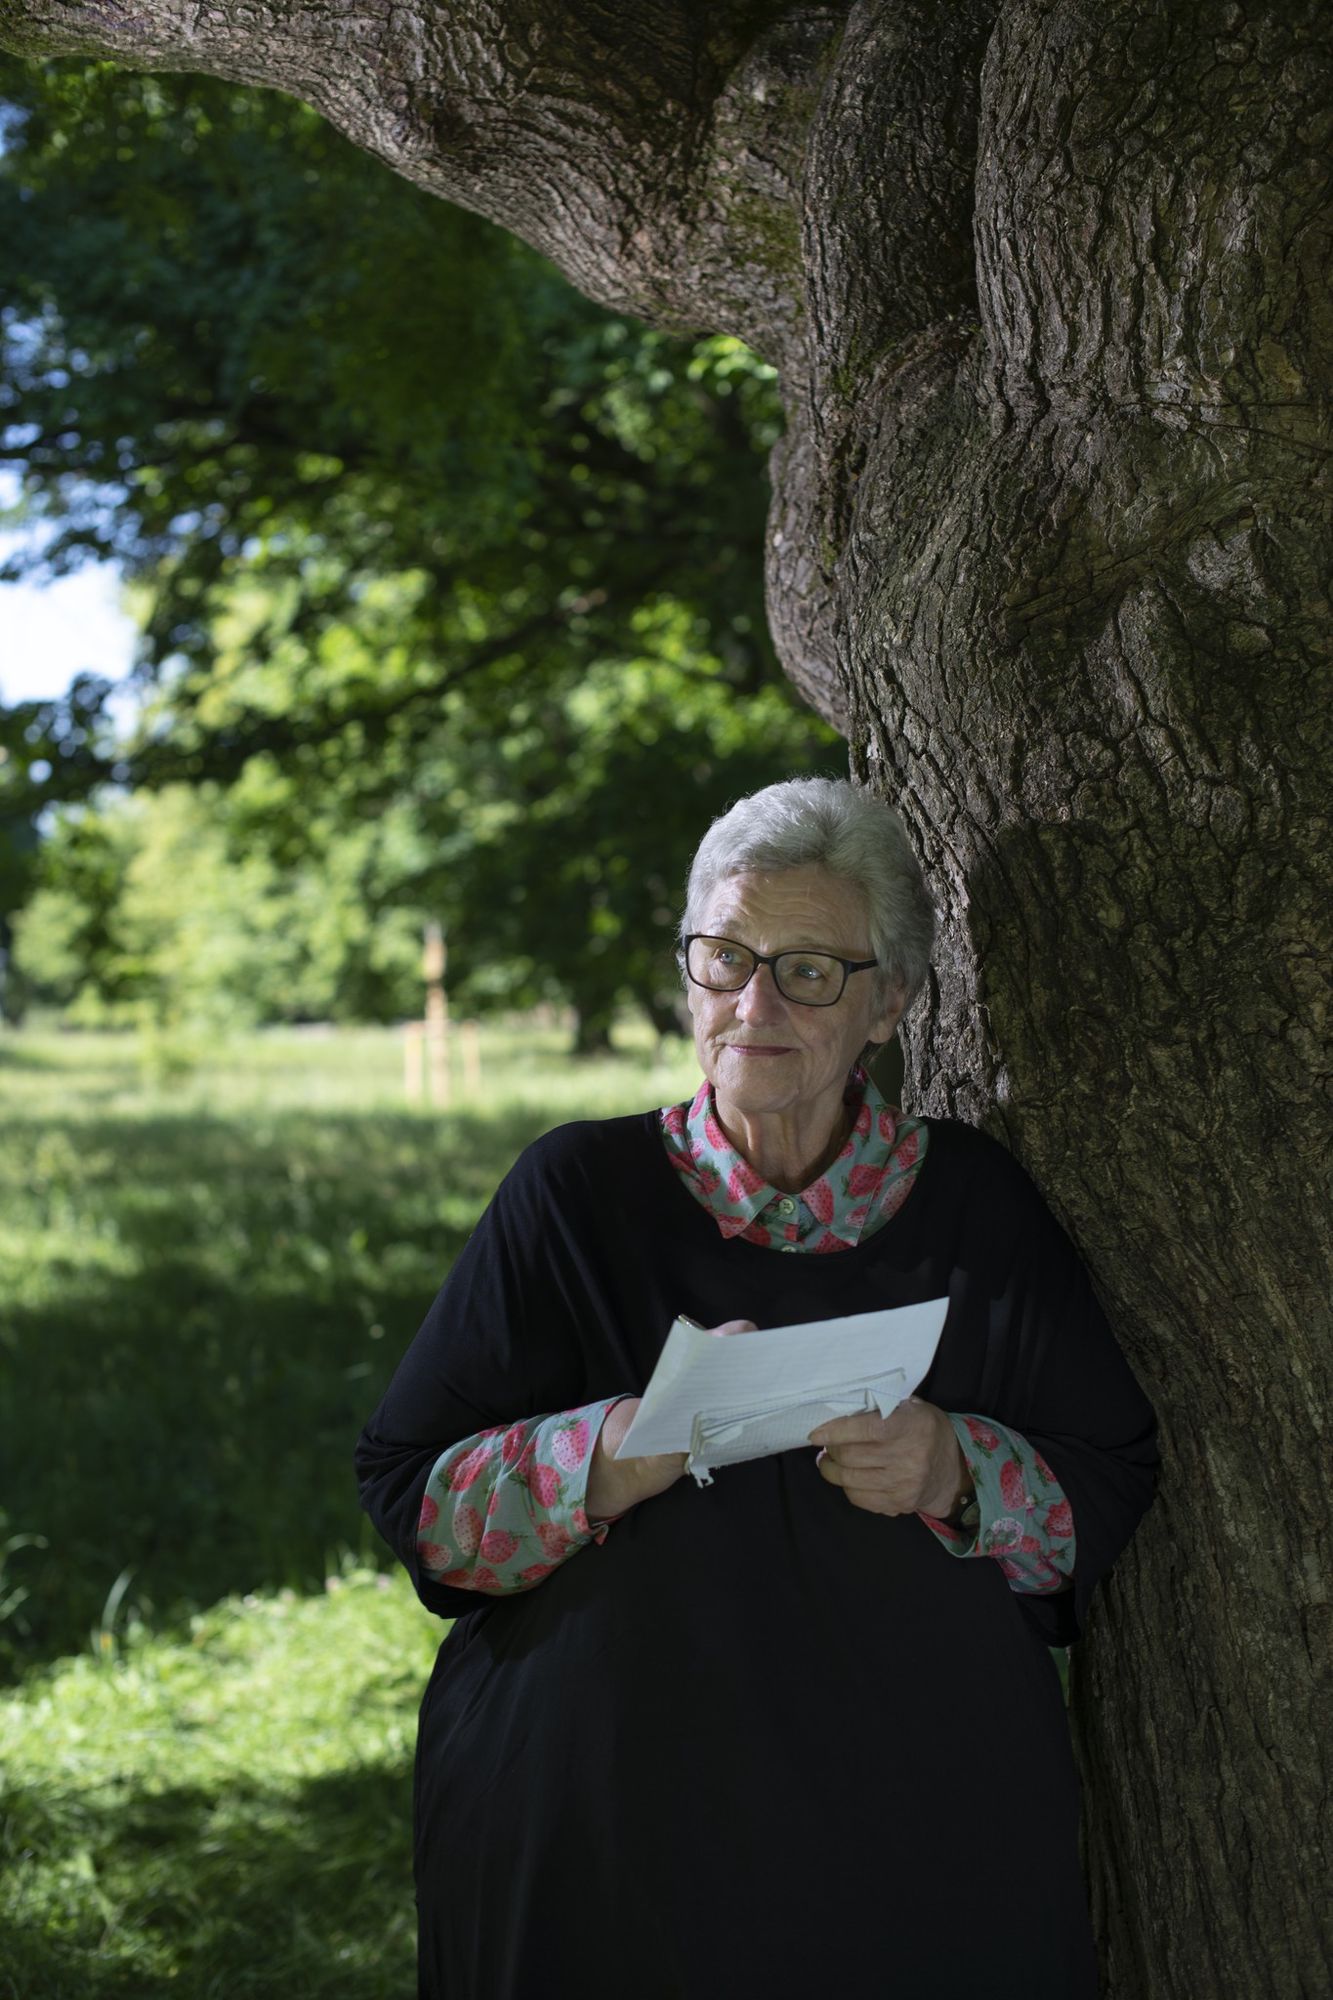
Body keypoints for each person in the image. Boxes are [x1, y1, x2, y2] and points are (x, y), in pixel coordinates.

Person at [355, 776, 1158, 1999]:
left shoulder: (977, 1206)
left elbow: (1106, 1482)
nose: (754, 1002)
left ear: (888, 1001)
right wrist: (601, 1458)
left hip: (914, 1827)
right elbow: (411, 1494)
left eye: (809, 969)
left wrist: (955, 1466)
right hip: (606, 1822)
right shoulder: (574, 1192)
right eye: (724, 956)